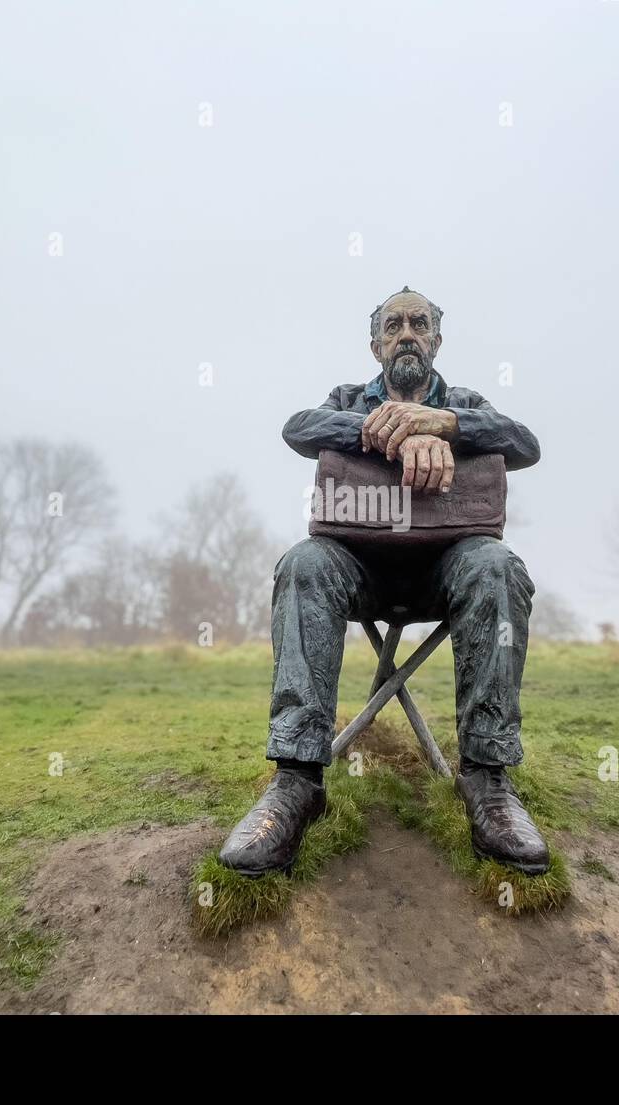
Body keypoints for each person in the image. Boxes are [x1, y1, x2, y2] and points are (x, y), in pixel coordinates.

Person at [218, 287, 549, 877]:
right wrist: (391, 429)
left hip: (448, 570)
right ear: (375, 346)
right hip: (359, 569)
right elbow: (298, 428)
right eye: (393, 325)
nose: (406, 333)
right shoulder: (347, 399)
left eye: (418, 324)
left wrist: (442, 423)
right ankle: (297, 781)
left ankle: (487, 782)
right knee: (303, 562)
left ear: (437, 341)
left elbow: (524, 443)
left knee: (498, 567)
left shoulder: (466, 400)